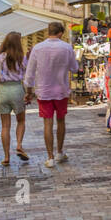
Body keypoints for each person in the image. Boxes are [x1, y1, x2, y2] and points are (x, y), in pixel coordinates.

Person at [24, 21, 78, 168]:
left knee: (47, 123)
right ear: (60, 33)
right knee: (61, 121)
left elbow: (29, 73)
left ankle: (50, 157)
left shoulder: (37, 48)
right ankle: (60, 152)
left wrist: (28, 92)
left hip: (44, 91)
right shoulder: (67, 48)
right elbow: (74, 68)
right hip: (61, 90)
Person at [0, 31, 29, 166]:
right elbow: (27, 78)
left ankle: (6, 157)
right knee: (21, 121)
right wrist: (28, 93)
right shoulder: (21, 58)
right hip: (17, 89)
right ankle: (19, 145)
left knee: (5, 126)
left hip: (3, 91)